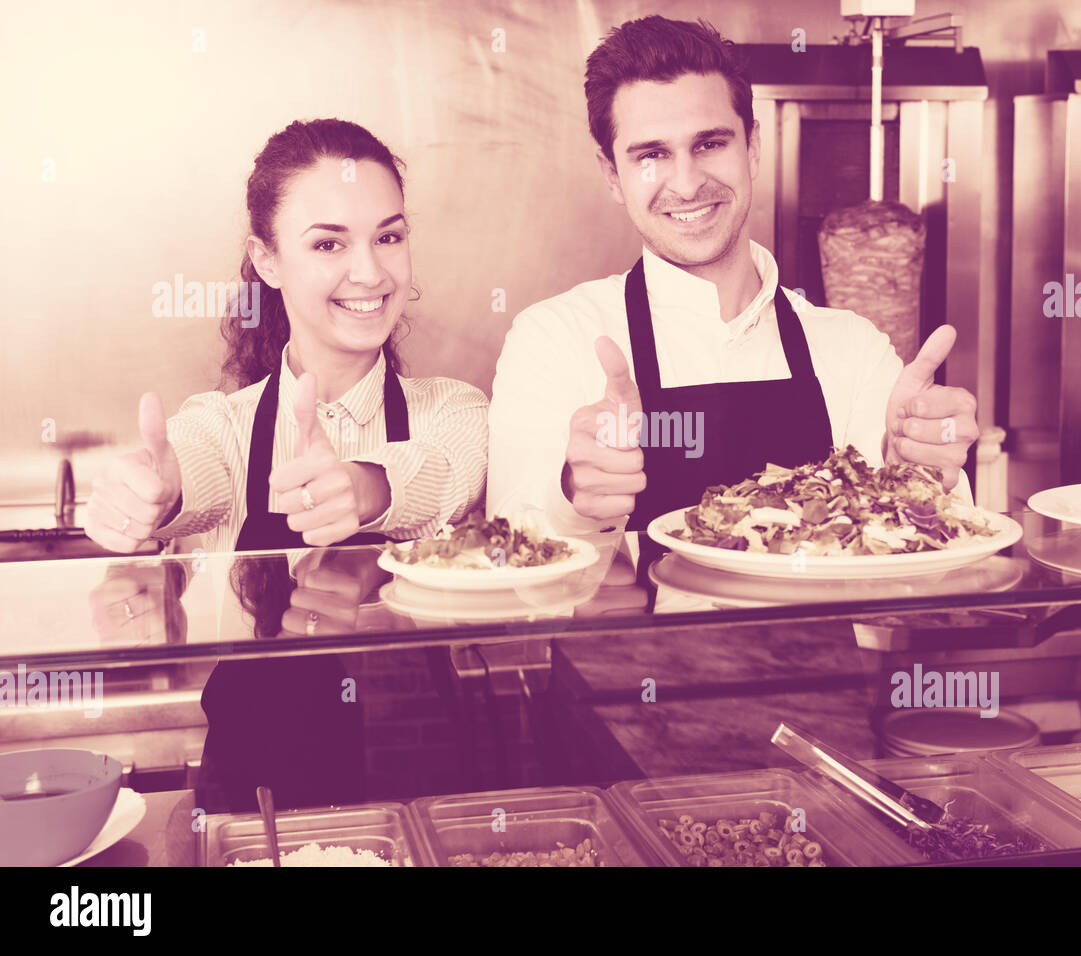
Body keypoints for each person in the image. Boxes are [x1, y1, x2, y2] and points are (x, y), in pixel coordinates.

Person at [84, 118, 489, 811]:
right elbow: (198, 469)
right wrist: (157, 494)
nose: (370, 272)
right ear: (267, 261)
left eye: (388, 237)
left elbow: (446, 471)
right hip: (259, 817)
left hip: (432, 812)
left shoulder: (455, 410)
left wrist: (366, 488)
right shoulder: (223, 424)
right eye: (329, 243)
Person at [487, 17, 979, 566]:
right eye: (650, 155)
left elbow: (949, 540)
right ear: (611, 174)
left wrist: (917, 473)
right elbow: (503, 555)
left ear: (752, 147)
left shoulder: (853, 350)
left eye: (710, 143)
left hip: (821, 653)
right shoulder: (554, 339)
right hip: (625, 653)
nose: (687, 182)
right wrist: (573, 499)